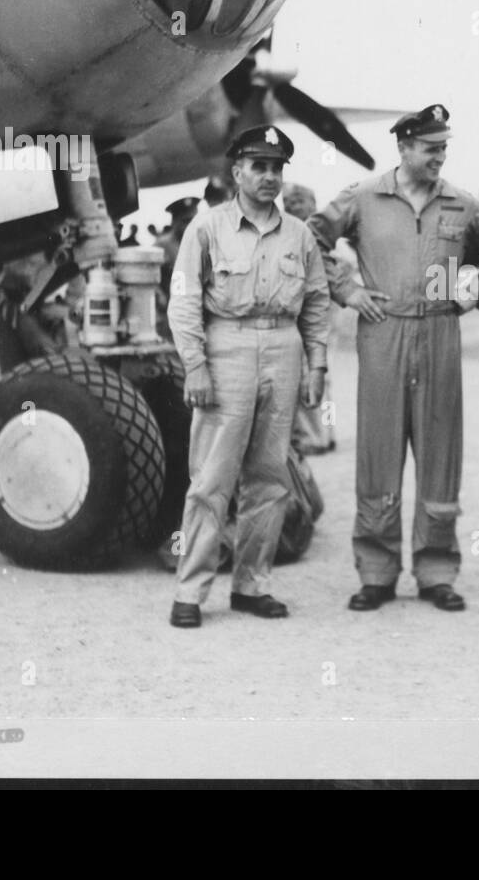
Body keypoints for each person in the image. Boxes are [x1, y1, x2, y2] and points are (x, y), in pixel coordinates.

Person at [308, 104, 479, 612]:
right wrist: (347, 290)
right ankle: (377, 572)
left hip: (439, 332)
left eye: (444, 148)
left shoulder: (462, 203)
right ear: (403, 148)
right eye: (431, 148)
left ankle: (436, 570)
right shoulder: (363, 197)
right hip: (383, 332)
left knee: (440, 453)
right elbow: (312, 238)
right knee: (379, 454)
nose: (439, 158)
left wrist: (471, 294)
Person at [166, 125, 329, 629]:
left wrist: (317, 364)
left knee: (270, 478)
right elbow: (185, 300)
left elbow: (318, 303)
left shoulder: (299, 235)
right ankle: (190, 591)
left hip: (283, 348)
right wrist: (195, 365)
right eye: (258, 166)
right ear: (236, 172)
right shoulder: (206, 229)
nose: (269, 177)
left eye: (277, 168)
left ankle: (252, 585)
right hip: (227, 347)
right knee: (212, 479)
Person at [283, 182, 336, 456]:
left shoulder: (312, 234)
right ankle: (325, 434)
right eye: (288, 201)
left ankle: (315, 437)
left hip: (311, 319)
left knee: (309, 377)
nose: (290, 206)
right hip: (308, 318)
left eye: (297, 201)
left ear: (312, 204)